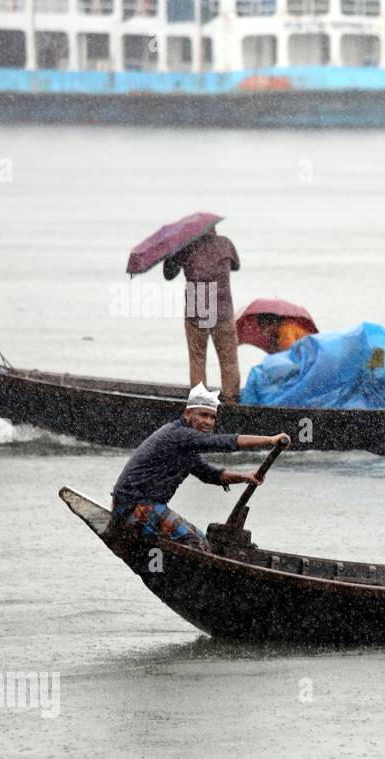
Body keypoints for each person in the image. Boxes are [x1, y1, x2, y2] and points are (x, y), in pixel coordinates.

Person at [110, 383, 290, 552]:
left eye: (212, 417)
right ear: (188, 414)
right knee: (193, 542)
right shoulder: (178, 435)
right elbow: (222, 442)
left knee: (204, 541)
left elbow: (209, 474)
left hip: (148, 505)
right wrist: (270, 440)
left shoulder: (187, 446)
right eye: (203, 415)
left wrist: (245, 477)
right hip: (132, 506)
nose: (208, 422)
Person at [164, 227, 242, 402]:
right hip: (222, 308)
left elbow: (169, 274)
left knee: (197, 359)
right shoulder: (225, 243)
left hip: (196, 308)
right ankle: (232, 402)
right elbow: (236, 266)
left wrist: (171, 254)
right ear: (214, 228)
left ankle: (199, 405)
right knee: (229, 361)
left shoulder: (186, 247)